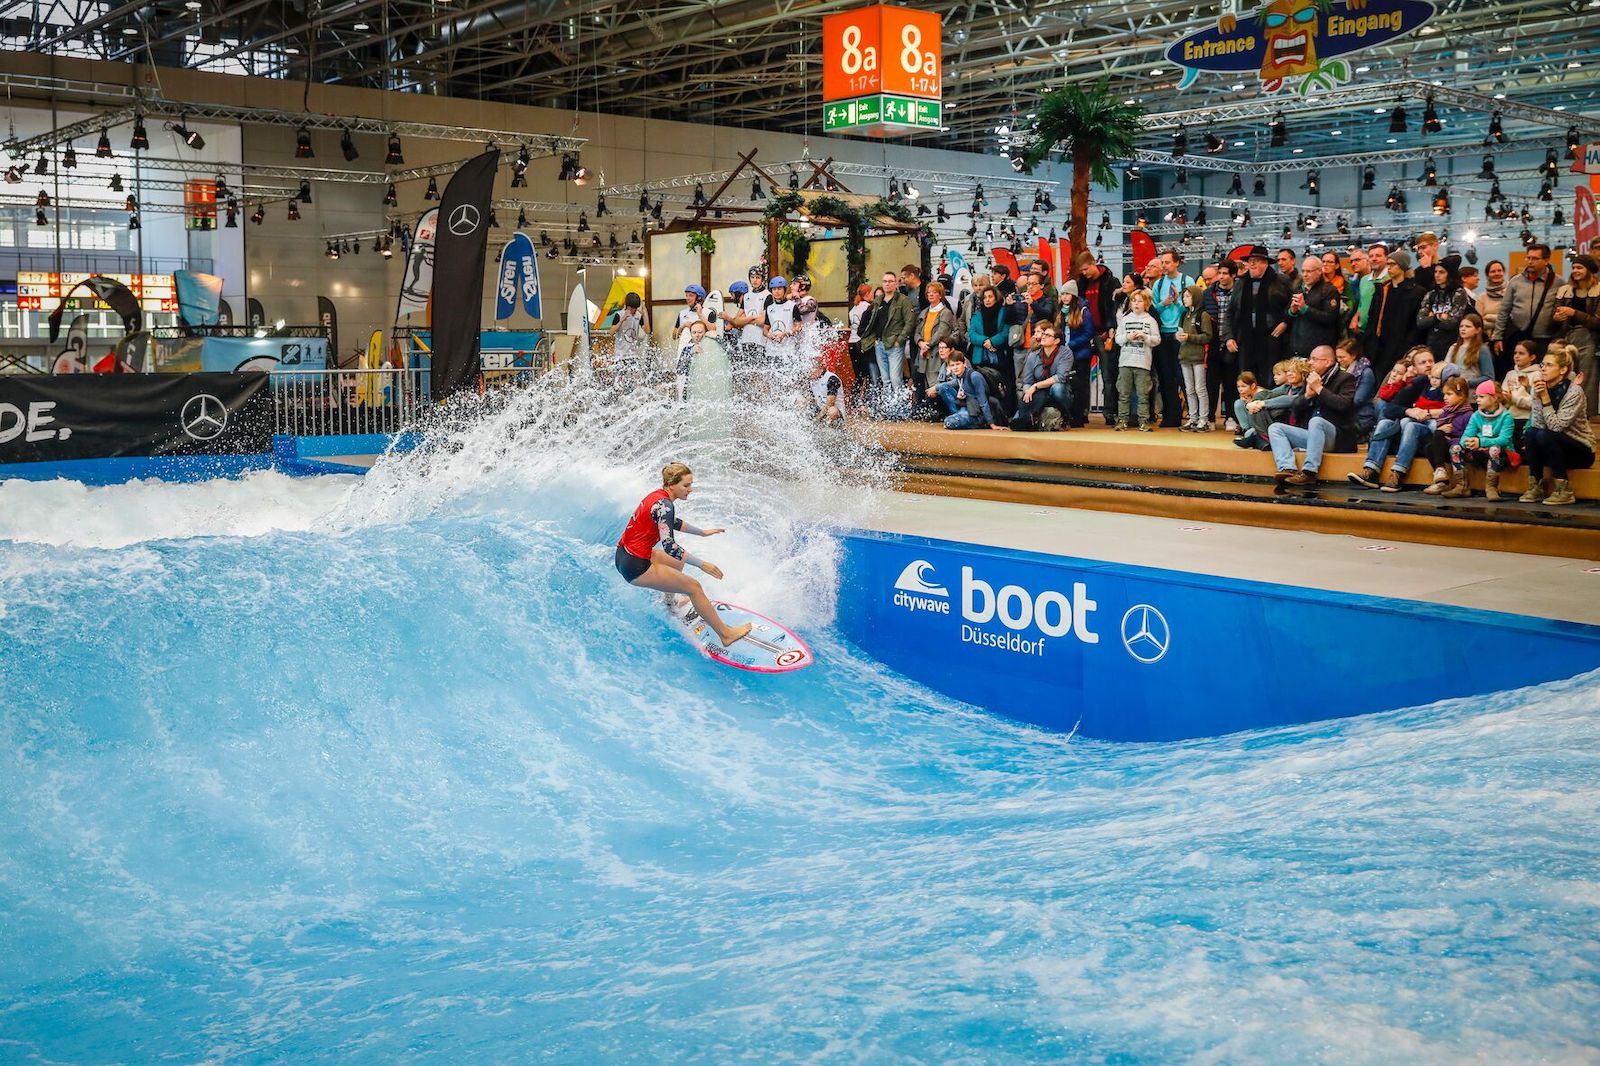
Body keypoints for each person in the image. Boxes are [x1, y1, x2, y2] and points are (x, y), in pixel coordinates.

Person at [615, 462, 752, 648]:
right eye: (686, 485)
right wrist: (703, 564)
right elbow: (670, 546)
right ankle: (726, 635)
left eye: (691, 484)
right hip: (636, 565)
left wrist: (702, 533)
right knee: (694, 587)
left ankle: (669, 603)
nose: (690, 489)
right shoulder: (665, 505)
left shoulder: (657, 497)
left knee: (676, 563)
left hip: (624, 555)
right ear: (672, 485)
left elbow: (671, 521)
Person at [1268, 344, 1358, 487]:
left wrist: (1319, 389)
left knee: (1317, 421)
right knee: (1275, 428)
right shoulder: (1311, 378)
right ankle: (1287, 468)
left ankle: (1309, 472)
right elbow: (1296, 409)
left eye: (1314, 359)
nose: (1310, 362)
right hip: (1312, 436)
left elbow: (1343, 405)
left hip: (1338, 438)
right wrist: (1307, 396)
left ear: (1327, 362)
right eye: (1310, 359)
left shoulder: (1346, 378)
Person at [1519, 343, 1594, 506]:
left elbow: (1557, 427)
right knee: (1531, 432)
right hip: (1552, 446)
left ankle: (1564, 491)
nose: (1543, 369)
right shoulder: (1538, 388)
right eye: (1542, 365)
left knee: (1545, 435)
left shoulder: (1574, 392)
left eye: (1549, 365)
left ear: (1563, 370)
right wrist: (1539, 396)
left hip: (1580, 450)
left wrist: (1545, 399)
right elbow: (1537, 424)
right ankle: (1535, 487)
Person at [1227, 246, 1290, 386]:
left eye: (1256, 261)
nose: (1252, 264)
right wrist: (1229, 337)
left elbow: (1292, 304)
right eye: (1250, 261)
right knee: (1246, 379)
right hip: (1246, 340)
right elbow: (1230, 312)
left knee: (1270, 379)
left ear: (1265, 263)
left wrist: (1285, 321)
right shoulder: (1241, 283)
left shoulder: (1281, 281)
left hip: (1271, 340)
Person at [1495, 244, 1558, 379]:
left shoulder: (1558, 282)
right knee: (1516, 377)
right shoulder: (1515, 281)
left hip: (1545, 340)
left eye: (1535, 258)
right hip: (1518, 338)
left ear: (1546, 260)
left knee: (1544, 377)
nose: (1530, 261)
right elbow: (1504, 311)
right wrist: (1498, 337)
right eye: (1528, 258)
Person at [1447, 380, 1515, 501]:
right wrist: (1468, 443)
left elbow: (1504, 440)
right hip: (1479, 452)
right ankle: (1461, 486)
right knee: (1455, 448)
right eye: (1476, 397)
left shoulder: (1506, 416)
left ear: (1494, 398)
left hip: (1502, 454)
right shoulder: (1476, 415)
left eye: (1481, 397)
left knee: (1495, 449)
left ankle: (1491, 488)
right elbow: (1466, 436)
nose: (1477, 400)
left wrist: (1481, 442)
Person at [1362, 248, 1423, 377]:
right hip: (1379, 346)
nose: (1389, 267)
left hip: (1401, 346)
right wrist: (1369, 340)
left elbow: (1415, 324)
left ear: (1402, 266)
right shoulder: (1382, 290)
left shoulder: (1416, 292)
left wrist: (1408, 345)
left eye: (1392, 264)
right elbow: (1372, 317)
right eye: (1388, 264)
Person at [1553, 253, 1600, 413]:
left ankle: (1585, 415)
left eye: (1579, 267)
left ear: (1589, 270)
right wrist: (1557, 317)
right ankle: (1566, 414)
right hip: (1567, 338)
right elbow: (1554, 315)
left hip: (1590, 339)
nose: (1575, 271)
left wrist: (1573, 313)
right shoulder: (1564, 290)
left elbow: (1597, 322)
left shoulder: (1598, 291)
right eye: (1573, 267)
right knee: (1565, 377)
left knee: (1587, 379)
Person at [1150, 247, 1192, 428]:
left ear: (1176, 263)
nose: (1164, 266)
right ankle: (1171, 415)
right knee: (1165, 376)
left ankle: (1193, 415)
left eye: (1167, 262)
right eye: (1162, 263)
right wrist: (1164, 302)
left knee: (1182, 376)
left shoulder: (1186, 280)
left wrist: (1177, 301)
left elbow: (1191, 308)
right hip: (1162, 333)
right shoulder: (1158, 284)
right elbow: (1153, 309)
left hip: (1179, 333)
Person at [1419, 375, 1476, 496]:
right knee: (1429, 447)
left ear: (1461, 395)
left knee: (1439, 434)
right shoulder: (1446, 412)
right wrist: (1442, 431)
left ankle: (1444, 473)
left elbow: (1469, 436)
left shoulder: (1468, 414)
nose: (1445, 397)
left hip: (1462, 448)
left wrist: (1449, 433)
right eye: (1444, 394)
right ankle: (1442, 481)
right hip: (1449, 445)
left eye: (1449, 394)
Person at [1011, 322, 1073, 431]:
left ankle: (1066, 416)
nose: (1043, 337)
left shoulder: (1065, 353)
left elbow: (1060, 377)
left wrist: (1036, 386)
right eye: (1043, 334)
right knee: (1018, 418)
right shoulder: (1033, 355)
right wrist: (1028, 391)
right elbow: (1027, 381)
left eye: (1048, 335)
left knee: (1057, 388)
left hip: (1056, 390)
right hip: (1040, 392)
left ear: (1056, 341)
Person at [1114, 289, 1159, 431]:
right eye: (1134, 301)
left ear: (1146, 303)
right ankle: (1122, 419)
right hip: (1125, 362)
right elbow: (1118, 338)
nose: (1136, 304)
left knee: (1143, 394)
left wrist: (1145, 337)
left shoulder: (1150, 320)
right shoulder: (1125, 319)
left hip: (1143, 363)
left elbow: (1157, 340)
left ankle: (1143, 420)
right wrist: (1128, 337)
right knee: (1123, 393)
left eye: (1140, 301)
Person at [968, 285, 1014, 416]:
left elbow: (1005, 332)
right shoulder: (976, 315)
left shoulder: (1003, 312)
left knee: (999, 387)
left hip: (999, 357)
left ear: (996, 298)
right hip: (980, 357)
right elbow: (972, 334)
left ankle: (1002, 414)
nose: (987, 300)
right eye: (985, 298)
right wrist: (985, 341)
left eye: (990, 297)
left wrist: (992, 342)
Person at [1416, 258, 1473, 362]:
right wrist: (1439, 317)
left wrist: (1432, 317)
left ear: (1449, 274)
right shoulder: (1431, 294)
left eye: (1441, 272)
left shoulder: (1459, 293)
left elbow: (1452, 323)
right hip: (1432, 343)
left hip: (1451, 343)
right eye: (1435, 272)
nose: (1437, 275)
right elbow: (1420, 322)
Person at [933, 345, 1003, 431]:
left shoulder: (974, 376)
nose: (955, 367)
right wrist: (960, 398)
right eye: (952, 365)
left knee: (950, 422)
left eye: (958, 364)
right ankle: (960, 417)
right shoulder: (959, 376)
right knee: (943, 387)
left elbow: (983, 401)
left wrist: (991, 423)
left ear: (964, 364)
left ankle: (979, 423)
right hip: (967, 407)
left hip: (977, 412)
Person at [875, 269, 916, 414]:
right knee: (885, 379)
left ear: (896, 283)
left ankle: (900, 410)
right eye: (885, 281)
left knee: (895, 378)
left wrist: (900, 340)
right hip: (879, 343)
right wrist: (872, 339)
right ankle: (889, 409)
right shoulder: (878, 300)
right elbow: (872, 321)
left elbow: (910, 322)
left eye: (890, 281)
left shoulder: (903, 300)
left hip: (895, 344)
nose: (887, 284)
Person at [1286, 254, 1342, 360]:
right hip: (1296, 347)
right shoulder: (1297, 289)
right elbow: (1287, 315)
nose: (1305, 275)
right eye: (1303, 271)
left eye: (1309, 271)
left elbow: (1330, 318)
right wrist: (1292, 311)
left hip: (1318, 350)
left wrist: (1305, 309)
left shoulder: (1330, 290)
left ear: (1319, 271)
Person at [1207, 259, 1239, 429]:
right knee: (1211, 383)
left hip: (1232, 343)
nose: (1221, 276)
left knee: (1230, 383)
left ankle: (1231, 417)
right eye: (1219, 273)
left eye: (1225, 273)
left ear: (1234, 275)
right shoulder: (1209, 293)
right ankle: (1210, 418)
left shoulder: (1240, 292)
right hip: (1213, 343)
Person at [913, 280, 956, 408]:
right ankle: (931, 409)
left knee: (936, 384)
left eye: (934, 292)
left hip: (936, 353)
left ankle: (940, 410)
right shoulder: (924, 312)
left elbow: (942, 332)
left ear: (940, 295)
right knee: (927, 384)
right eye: (929, 292)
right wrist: (920, 342)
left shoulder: (945, 312)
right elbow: (917, 332)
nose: (931, 294)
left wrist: (928, 345)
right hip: (924, 353)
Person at [1177, 282, 1214, 431]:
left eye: (1188, 296)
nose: (1184, 299)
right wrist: (1178, 336)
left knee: (1200, 389)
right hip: (1185, 356)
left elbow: (1207, 336)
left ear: (1196, 297)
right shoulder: (1184, 315)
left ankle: (1203, 419)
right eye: (1183, 296)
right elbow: (1180, 331)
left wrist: (1190, 337)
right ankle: (1193, 418)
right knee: (1189, 389)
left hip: (1198, 357)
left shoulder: (1203, 315)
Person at [1501, 339, 1542, 450]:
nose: (1517, 356)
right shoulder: (1510, 374)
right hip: (1509, 418)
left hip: (1526, 420)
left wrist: (1513, 399)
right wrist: (1504, 398)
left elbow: (1535, 402)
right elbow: (1504, 396)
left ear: (1532, 357)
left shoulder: (1537, 375)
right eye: (1515, 353)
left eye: (1521, 353)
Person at [1335, 336, 1378, 440]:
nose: (1339, 360)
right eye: (1337, 357)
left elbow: (1358, 400)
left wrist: (1335, 403)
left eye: (1342, 357)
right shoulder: (1339, 371)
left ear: (1353, 355)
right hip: (1343, 415)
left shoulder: (1366, 373)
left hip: (1360, 418)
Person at [609, 290, 649, 384]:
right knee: (619, 384)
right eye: (631, 308)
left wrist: (644, 313)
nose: (633, 311)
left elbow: (647, 331)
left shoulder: (638, 316)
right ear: (627, 306)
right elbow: (611, 332)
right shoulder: (619, 314)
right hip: (620, 356)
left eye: (635, 308)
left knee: (634, 383)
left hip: (634, 355)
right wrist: (622, 320)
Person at [1442, 313, 1494, 384]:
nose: (1463, 329)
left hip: (1472, 389)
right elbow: (1445, 369)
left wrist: (1467, 382)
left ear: (1477, 330)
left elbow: (1489, 377)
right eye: (1461, 326)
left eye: (1468, 326)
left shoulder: (1482, 349)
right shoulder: (1454, 347)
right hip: (1454, 388)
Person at [847, 283, 875, 398]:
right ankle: (867, 399)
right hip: (862, 342)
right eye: (871, 292)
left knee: (858, 375)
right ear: (867, 294)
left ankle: (854, 399)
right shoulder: (867, 307)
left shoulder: (854, 308)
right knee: (868, 374)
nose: (872, 294)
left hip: (851, 342)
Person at [806, 357, 845, 425]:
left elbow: (829, 405)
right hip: (821, 410)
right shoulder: (812, 379)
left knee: (832, 411)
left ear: (818, 369)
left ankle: (835, 428)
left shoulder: (831, 379)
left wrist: (816, 420)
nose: (808, 373)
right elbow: (812, 399)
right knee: (800, 401)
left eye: (809, 371)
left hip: (835, 413)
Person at [1477, 260, 1507, 345]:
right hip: (1488, 341)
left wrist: (1488, 317)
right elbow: (1479, 323)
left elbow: (1512, 319)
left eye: (1499, 270)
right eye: (1493, 271)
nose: (1497, 273)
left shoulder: (1511, 293)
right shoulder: (1481, 298)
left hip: (1509, 338)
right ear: (1487, 275)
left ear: (1503, 273)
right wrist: (1502, 322)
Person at [676, 320, 707, 401]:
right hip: (691, 385)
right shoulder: (687, 348)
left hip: (707, 383)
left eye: (700, 332)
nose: (697, 335)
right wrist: (691, 351)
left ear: (706, 333)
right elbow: (679, 370)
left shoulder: (710, 345)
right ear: (691, 334)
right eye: (694, 332)